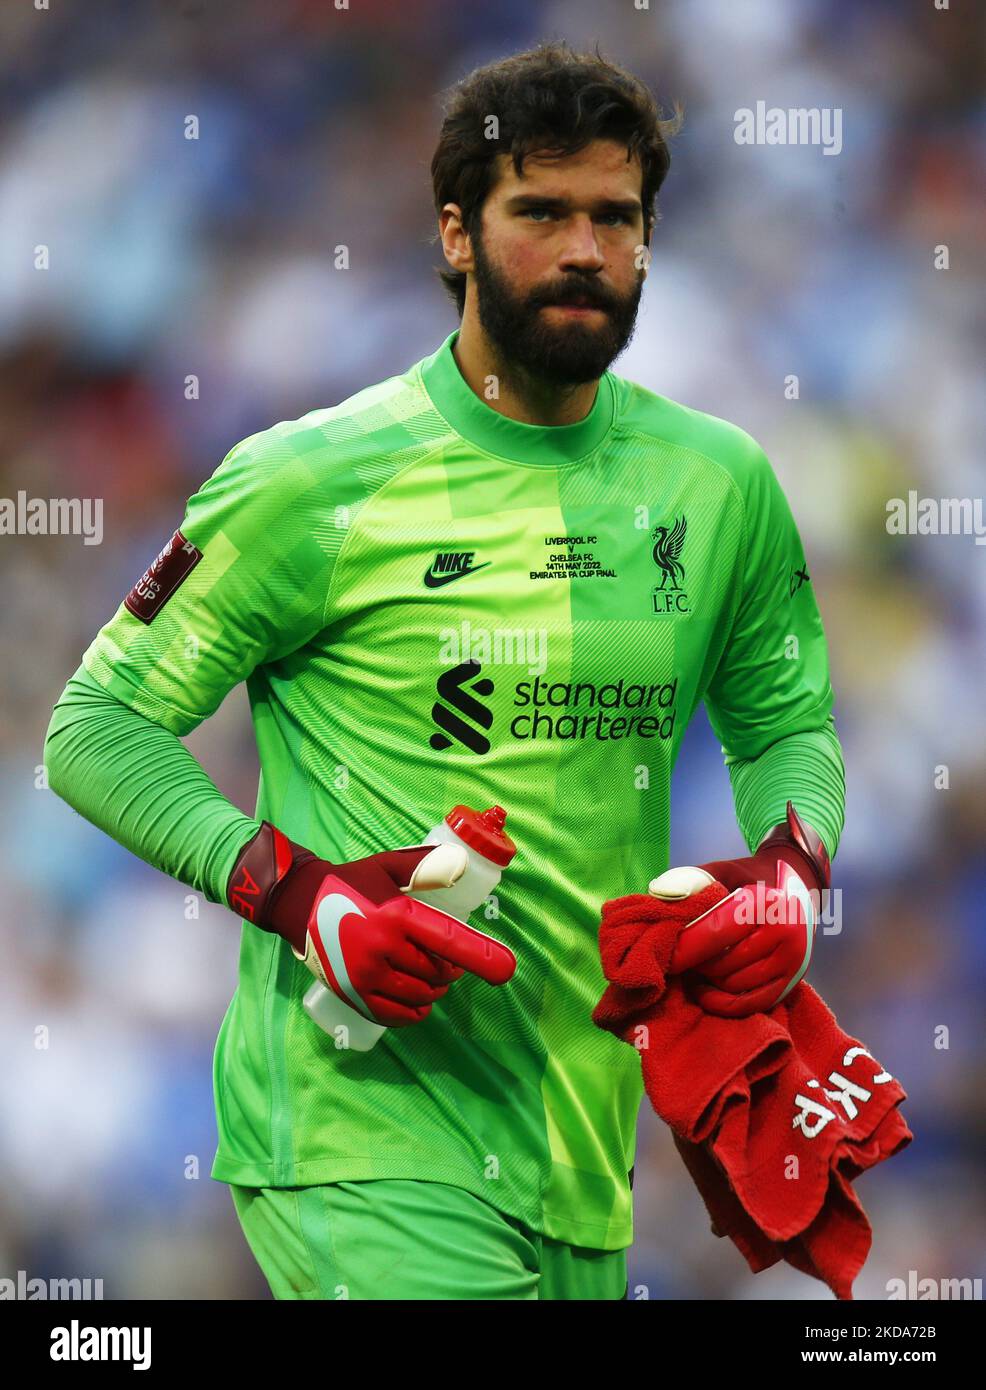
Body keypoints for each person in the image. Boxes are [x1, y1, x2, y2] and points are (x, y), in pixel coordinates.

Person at [44, 41, 844, 1301]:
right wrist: (306, 902)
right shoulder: (313, 480)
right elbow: (94, 727)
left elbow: (783, 726)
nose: (583, 249)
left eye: (614, 217)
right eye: (540, 212)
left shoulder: (718, 482)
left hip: (582, 1148)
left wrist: (793, 877)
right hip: (363, 1131)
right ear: (456, 234)